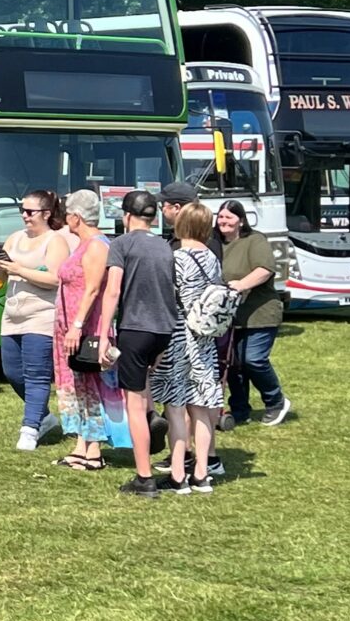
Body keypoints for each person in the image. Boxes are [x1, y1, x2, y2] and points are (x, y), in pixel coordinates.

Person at [97, 190, 177, 497]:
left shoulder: (121, 244)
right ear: (153, 217)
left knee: (131, 401)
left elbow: (113, 290)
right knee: (143, 384)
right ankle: (151, 417)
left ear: (125, 215)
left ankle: (144, 476)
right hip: (163, 330)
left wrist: (104, 333)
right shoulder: (164, 246)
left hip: (135, 327)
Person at [52, 189, 130, 469]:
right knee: (76, 385)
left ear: (76, 218)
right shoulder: (82, 245)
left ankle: (94, 449)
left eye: (67, 215)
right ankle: (81, 443)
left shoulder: (97, 245)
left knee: (91, 384)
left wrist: (76, 326)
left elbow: (94, 289)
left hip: (87, 328)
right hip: (70, 327)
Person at [157, 203, 228, 494]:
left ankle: (177, 474)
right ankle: (202, 473)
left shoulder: (175, 258)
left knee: (175, 407)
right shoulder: (212, 258)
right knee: (201, 406)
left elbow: (168, 300)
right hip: (205, 338)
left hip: (178, 336)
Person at [0, 189, 67, 451]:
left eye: (29, 211)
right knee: (12, 372)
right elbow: (2, 276)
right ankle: (45, 417)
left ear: (46, 214)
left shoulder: (55, 241)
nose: (24, 216)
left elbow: (55, 279)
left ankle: (30, 429)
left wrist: (20, 270)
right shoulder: (14, 238)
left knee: (36, 375)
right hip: (12, 315)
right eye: (22, 211)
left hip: (42, 315)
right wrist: (1, 271)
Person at [218, 201, 290, 427]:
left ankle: (276, 400)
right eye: (220, 217)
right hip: (230, 315)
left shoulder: (255, 240)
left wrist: (241, 285)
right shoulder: (216, 244)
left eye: (229, 217)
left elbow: (265, 269)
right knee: (233, 364)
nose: (224, 222)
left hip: (260, 313)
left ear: (241, 219)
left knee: (253, 360)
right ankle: (240, 409)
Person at [160, 180, 223, 258]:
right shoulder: (209, 236)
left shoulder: (186, 243)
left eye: (162, 205)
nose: (162, 210)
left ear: (176, 208)